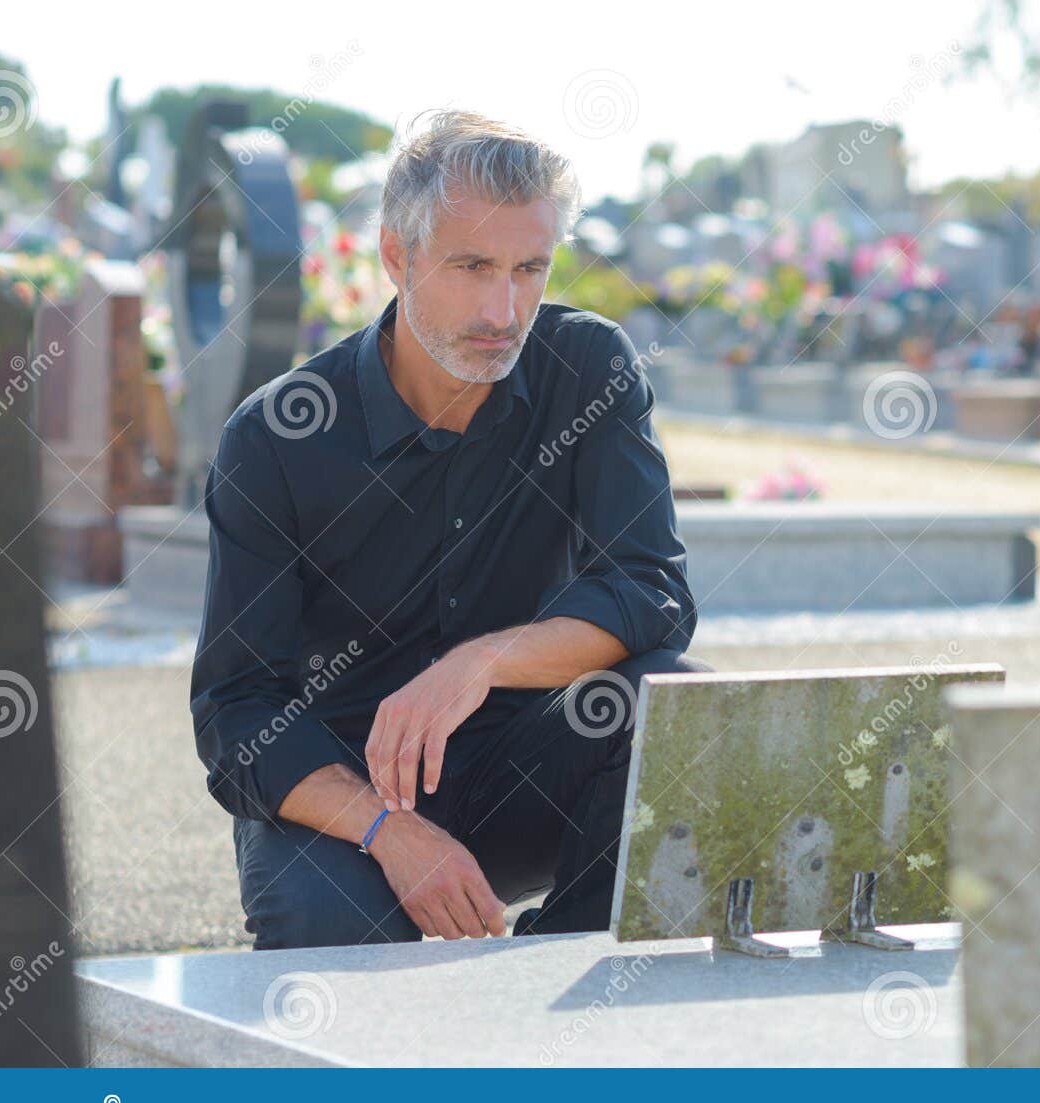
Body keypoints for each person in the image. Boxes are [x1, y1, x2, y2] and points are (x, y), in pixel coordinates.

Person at [190, 111, 702, 950]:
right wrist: (390, 832)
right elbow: (236, 711)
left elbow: (651, 593)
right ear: (397, 256)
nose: (504, 309)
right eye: (472, 267)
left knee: (675, 702)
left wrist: (481, 663)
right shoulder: (275, 437)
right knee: (334, 952)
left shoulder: (590, 370)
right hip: (343, 797)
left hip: (523, 770)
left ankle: (556, 993)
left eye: (528, 268)